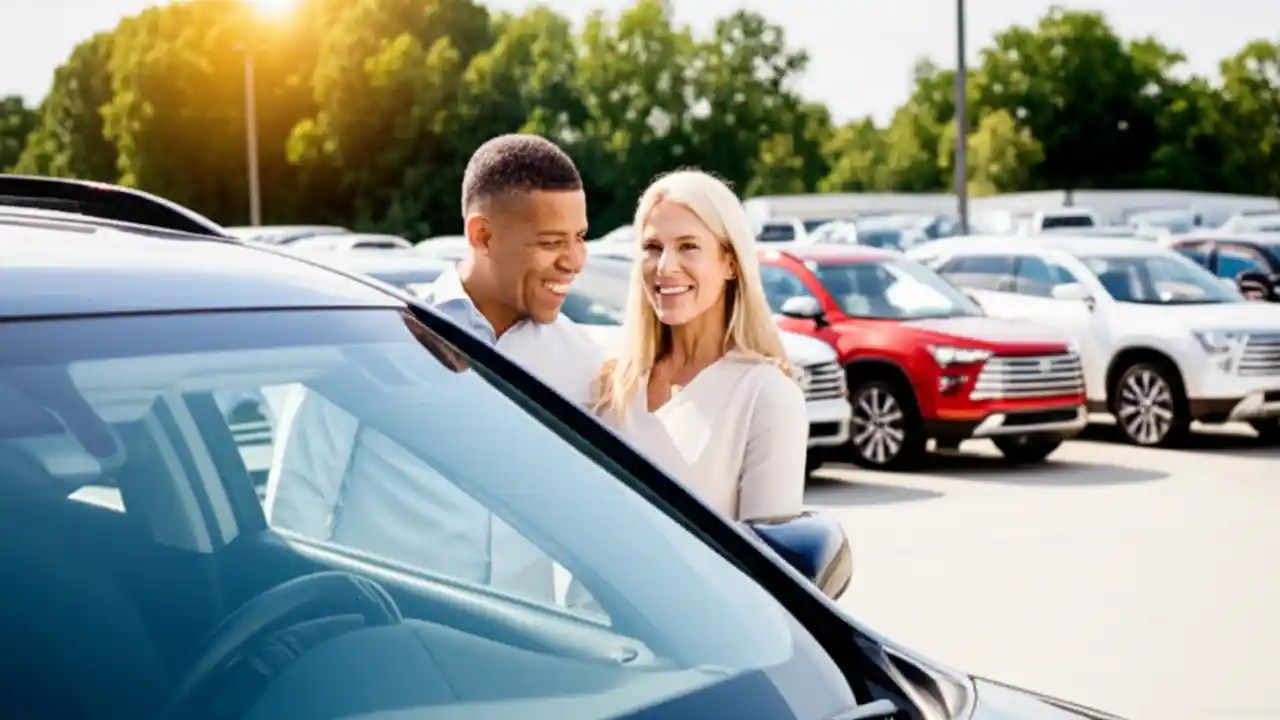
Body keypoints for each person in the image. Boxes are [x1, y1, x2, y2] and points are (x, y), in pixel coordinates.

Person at [263, 134, 605, 606]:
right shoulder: (370, 342)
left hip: (530, 655)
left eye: (580, 238)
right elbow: (297, 506)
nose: (573, 261)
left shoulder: (584, 365)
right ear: (482, 236)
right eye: (551, 242)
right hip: (391, 645)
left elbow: (602, 531)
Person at [592, 169, 809, 522]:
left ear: (730, 263)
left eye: (688, 246)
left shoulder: (766, 396)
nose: (665, 267)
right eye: (652, 248)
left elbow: (768, 560)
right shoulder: (613, 382)